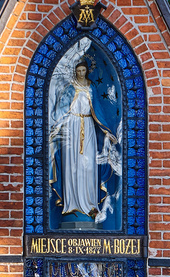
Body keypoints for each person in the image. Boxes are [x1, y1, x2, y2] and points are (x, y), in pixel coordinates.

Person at [49, 59, 119, 222]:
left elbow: (98, 111)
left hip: (88, 127)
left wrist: (107, 131)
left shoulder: (91, 87)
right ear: (75, 71)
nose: (81, 73)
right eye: (78, 70)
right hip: (72, 127)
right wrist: (57, 128)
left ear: (87, 71)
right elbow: (62, 110)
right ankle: (71, 204)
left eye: (83, 70)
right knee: (71, 166)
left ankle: (89, 205)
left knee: (88, 166)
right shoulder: (69, 87)